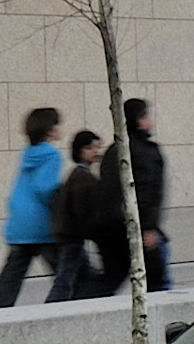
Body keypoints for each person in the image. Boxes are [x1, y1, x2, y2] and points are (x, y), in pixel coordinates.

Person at [0, 107, 65, 307]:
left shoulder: (28, 154)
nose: (61, 128)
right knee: (66, 272)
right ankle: (73, 306)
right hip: (42, 224)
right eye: (58, 124)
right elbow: (44, 188)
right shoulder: (52, 155)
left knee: (12, 274)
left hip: (20, 222)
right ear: (50, 129)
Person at [97, 97, 170, 293]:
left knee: (110, 279)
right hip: (135, 228)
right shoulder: (145, 152)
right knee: (158, 281)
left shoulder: (113, 150)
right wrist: (148, 227)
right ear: (139, 120)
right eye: (147, 116)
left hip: (111, 228)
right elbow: (148, 192)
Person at [48, 131, 103, 301]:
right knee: (65, 279)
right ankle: (52, 306)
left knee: (85, 275)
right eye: (90, 148)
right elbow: (81, 209)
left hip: (70, 235)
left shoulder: (78, 174)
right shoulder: (82, 177)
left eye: (97, 147)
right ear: (80, 151)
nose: (96, 151)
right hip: (71, 235)